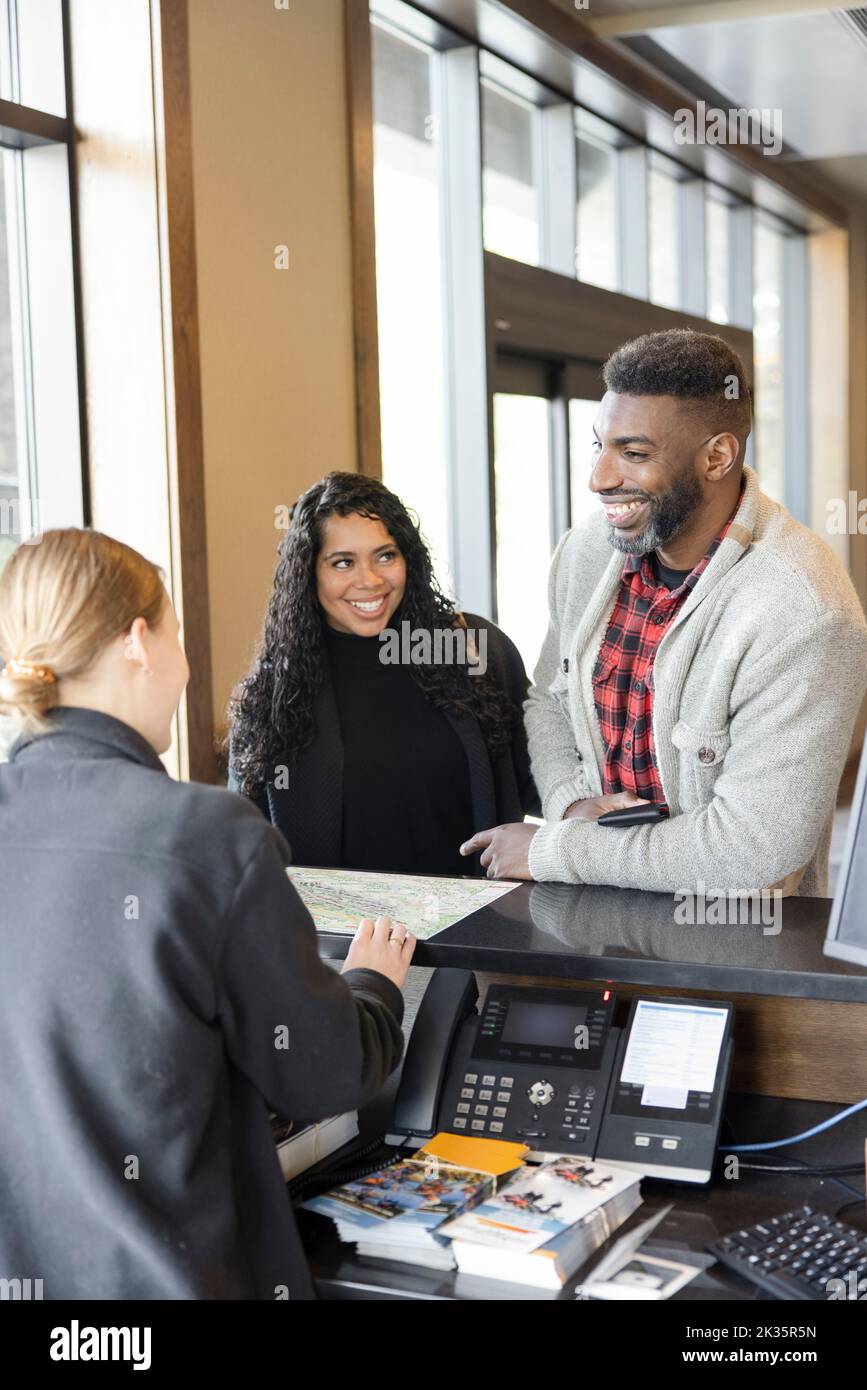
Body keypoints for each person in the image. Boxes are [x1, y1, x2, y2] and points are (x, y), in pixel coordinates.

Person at [0, 527, 414, 1300]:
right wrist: (372, 988)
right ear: (137, 643)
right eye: (177, 635)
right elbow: (322, 1075)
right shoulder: (206, 836)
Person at [461, 328, 867, 895]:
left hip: (734, 951)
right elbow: (549, 700)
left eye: (633, 453)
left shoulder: (804, 610)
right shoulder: (584, 555)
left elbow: (757, 856)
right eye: (598, 446)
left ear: (717, 456)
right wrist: (571, 804)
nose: (599, 478)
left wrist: (559, 848)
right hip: (593, 921)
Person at [228, 472, 538, 874]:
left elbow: (538, 774)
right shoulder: (274, 694)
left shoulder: (471, 647)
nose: (370, 580)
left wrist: (587, 810)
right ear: (309, 572)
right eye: (343, 562)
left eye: (385, 556)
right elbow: (245, 853)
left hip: (475, 926)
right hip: (344, 934)